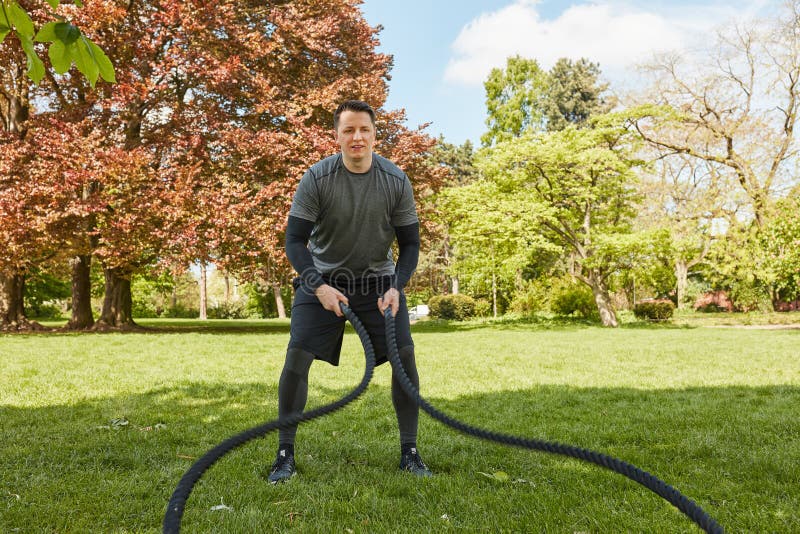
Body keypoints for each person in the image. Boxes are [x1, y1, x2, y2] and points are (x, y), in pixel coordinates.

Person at [267, 100, 431, 483]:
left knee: (405, 357)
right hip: (323, 279)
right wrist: (318, 286)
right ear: (337, 136)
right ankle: (284, 455)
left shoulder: (395, 180)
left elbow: (410, 244)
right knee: (297, 357)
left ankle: (410, 452)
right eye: (348, 130)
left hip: (378, 284)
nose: (357, 137)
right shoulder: (317, 178)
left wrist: (396, 287)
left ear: (375, 135)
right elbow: (294, 241)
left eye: (364, 130)